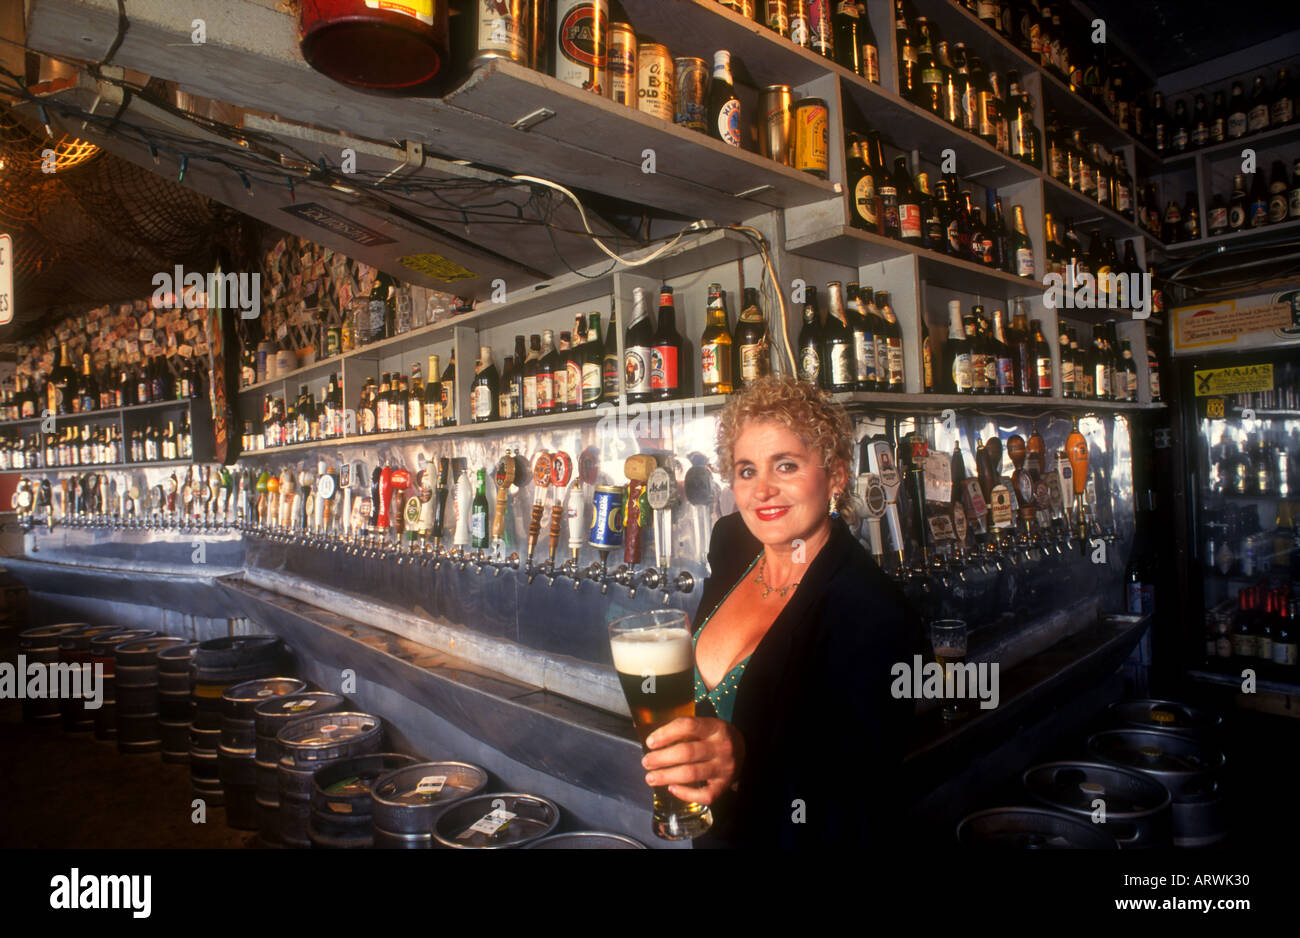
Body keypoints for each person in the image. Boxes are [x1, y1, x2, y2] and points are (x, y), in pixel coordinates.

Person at [641, 375, 920, 847]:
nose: (762, 490)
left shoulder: (876, 613)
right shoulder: (731, 544)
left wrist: (746, 760)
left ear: (834, 476)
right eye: (747, 470)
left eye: (786, 465)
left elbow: (862, 791)